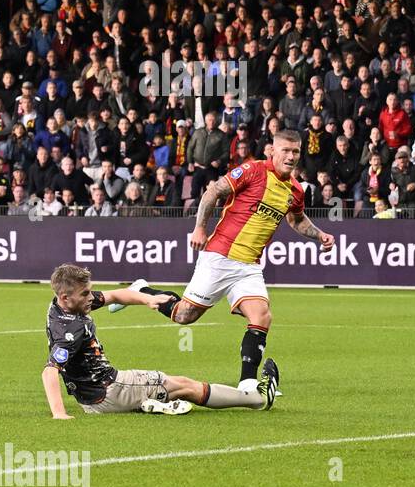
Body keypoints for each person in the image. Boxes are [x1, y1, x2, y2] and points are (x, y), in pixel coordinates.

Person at [124, 130, 334, 393]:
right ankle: (142, 291)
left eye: (295, 152)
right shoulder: (253, 170)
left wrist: (319, 235)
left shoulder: (295, 189)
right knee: (184, 316)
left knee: (262, 316)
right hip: (220, 257)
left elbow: (297, 219)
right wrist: (200, 228)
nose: (291, 157)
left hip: (249, 266)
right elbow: (213, 191)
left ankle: (247, 382)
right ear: (273, 150)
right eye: (285, 151)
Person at [41, 264, 277, 419]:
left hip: (94, 396)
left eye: (90, 291)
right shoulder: (70, 329)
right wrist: (59, 413)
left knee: (171, 385)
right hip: (109, 390)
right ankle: (257, 400)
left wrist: (146, 299)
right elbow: (50, 371)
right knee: (185, 386)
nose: (90, 297)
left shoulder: (63, 305)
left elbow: (114, 295)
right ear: (65, 297)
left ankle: (150, 402)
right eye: (85, 294)